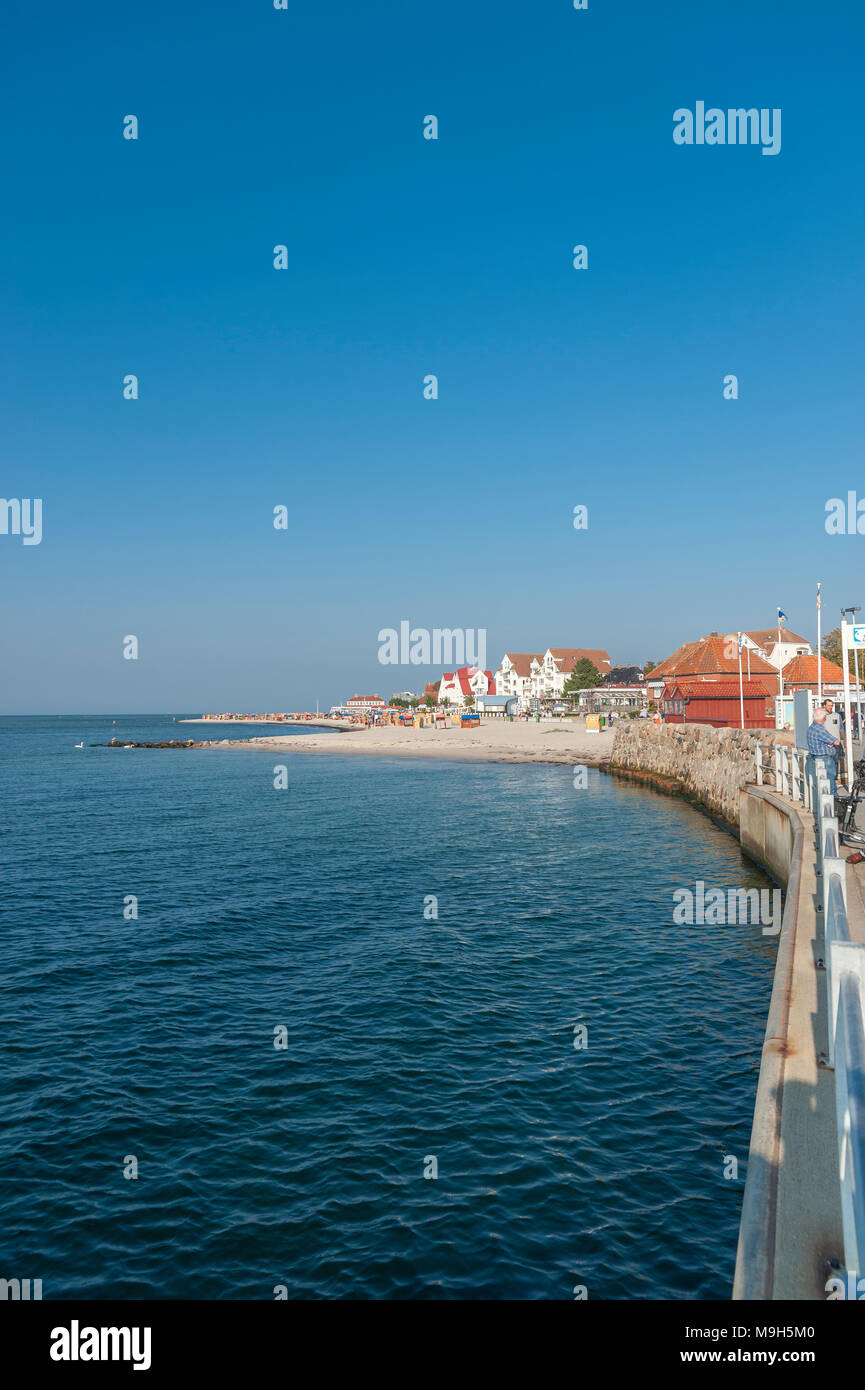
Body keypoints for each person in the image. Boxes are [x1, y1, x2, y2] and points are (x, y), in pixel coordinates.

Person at [807, 707, 841, 794]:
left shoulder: (811, 727)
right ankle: (834, 804)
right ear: (824, 718)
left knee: (821, 784)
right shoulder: (820, 729)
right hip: (825, 759)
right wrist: (831, 743)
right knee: (830, 784)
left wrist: (829, 743)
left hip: (815, 757)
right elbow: (837, 742)